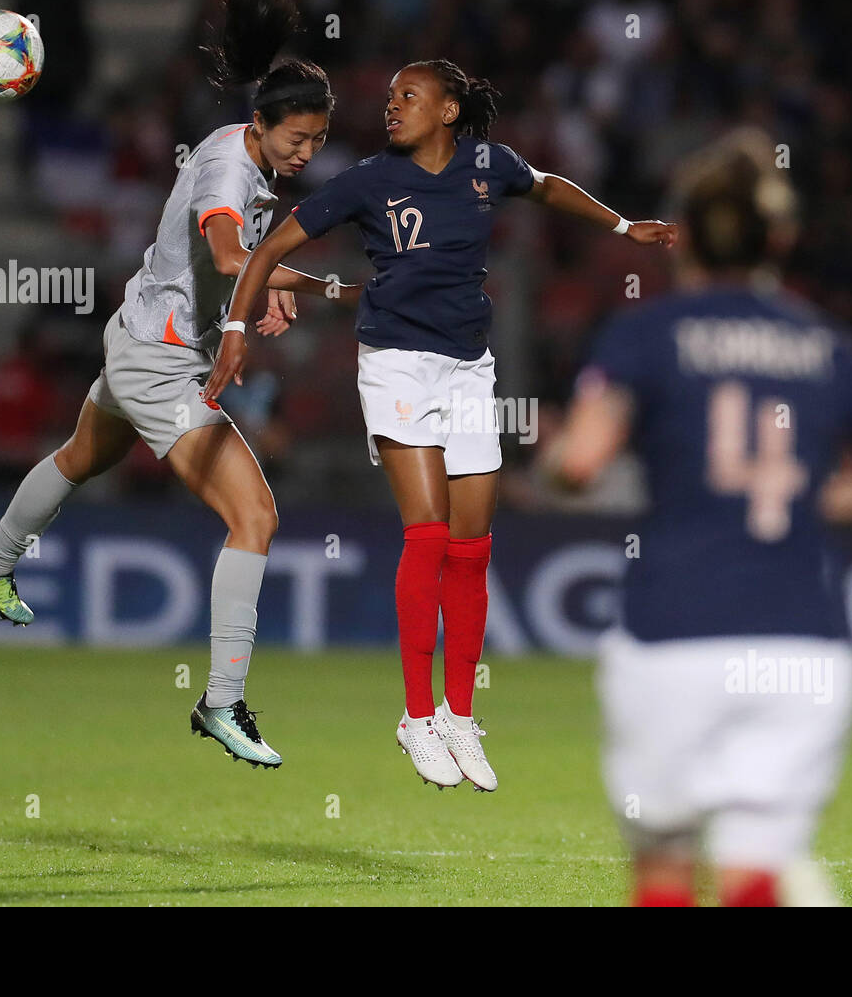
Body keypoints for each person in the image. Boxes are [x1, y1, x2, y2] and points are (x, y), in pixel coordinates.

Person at [202, 59, 677, 790]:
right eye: (390, 96)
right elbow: (267, 250)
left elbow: (546, 186)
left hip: (467, 368)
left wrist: (620, 225)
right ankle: (416, 716)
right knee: (425, 533)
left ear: (449, 110)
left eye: (409, 97)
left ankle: (459, 715)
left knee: (472, 545)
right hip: (394, 363)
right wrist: (237, 324)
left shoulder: (490, 166)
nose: (392, 107)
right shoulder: (367, 180)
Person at [0, 0, 353, 771]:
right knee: (256, 519)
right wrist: (320, 285)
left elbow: (232, 268)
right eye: (297, 140)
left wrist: (253, 301)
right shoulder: (228, 173)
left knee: (79, 458)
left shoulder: (239, 152)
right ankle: (221, 700)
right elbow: (231, 253)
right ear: (262, 123)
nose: (306, 154)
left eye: (315, 141)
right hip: (161, 364)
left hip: (144, 335)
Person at [546, 128, 852, 906]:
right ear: (782, 239)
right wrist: (812, 498)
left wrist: (550, 462)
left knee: (665, 860)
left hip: (673, 632)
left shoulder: (647, 333)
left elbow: (576, 464)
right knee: (755, 870)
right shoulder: (825, 341)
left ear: (684, 237)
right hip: (804, 643)